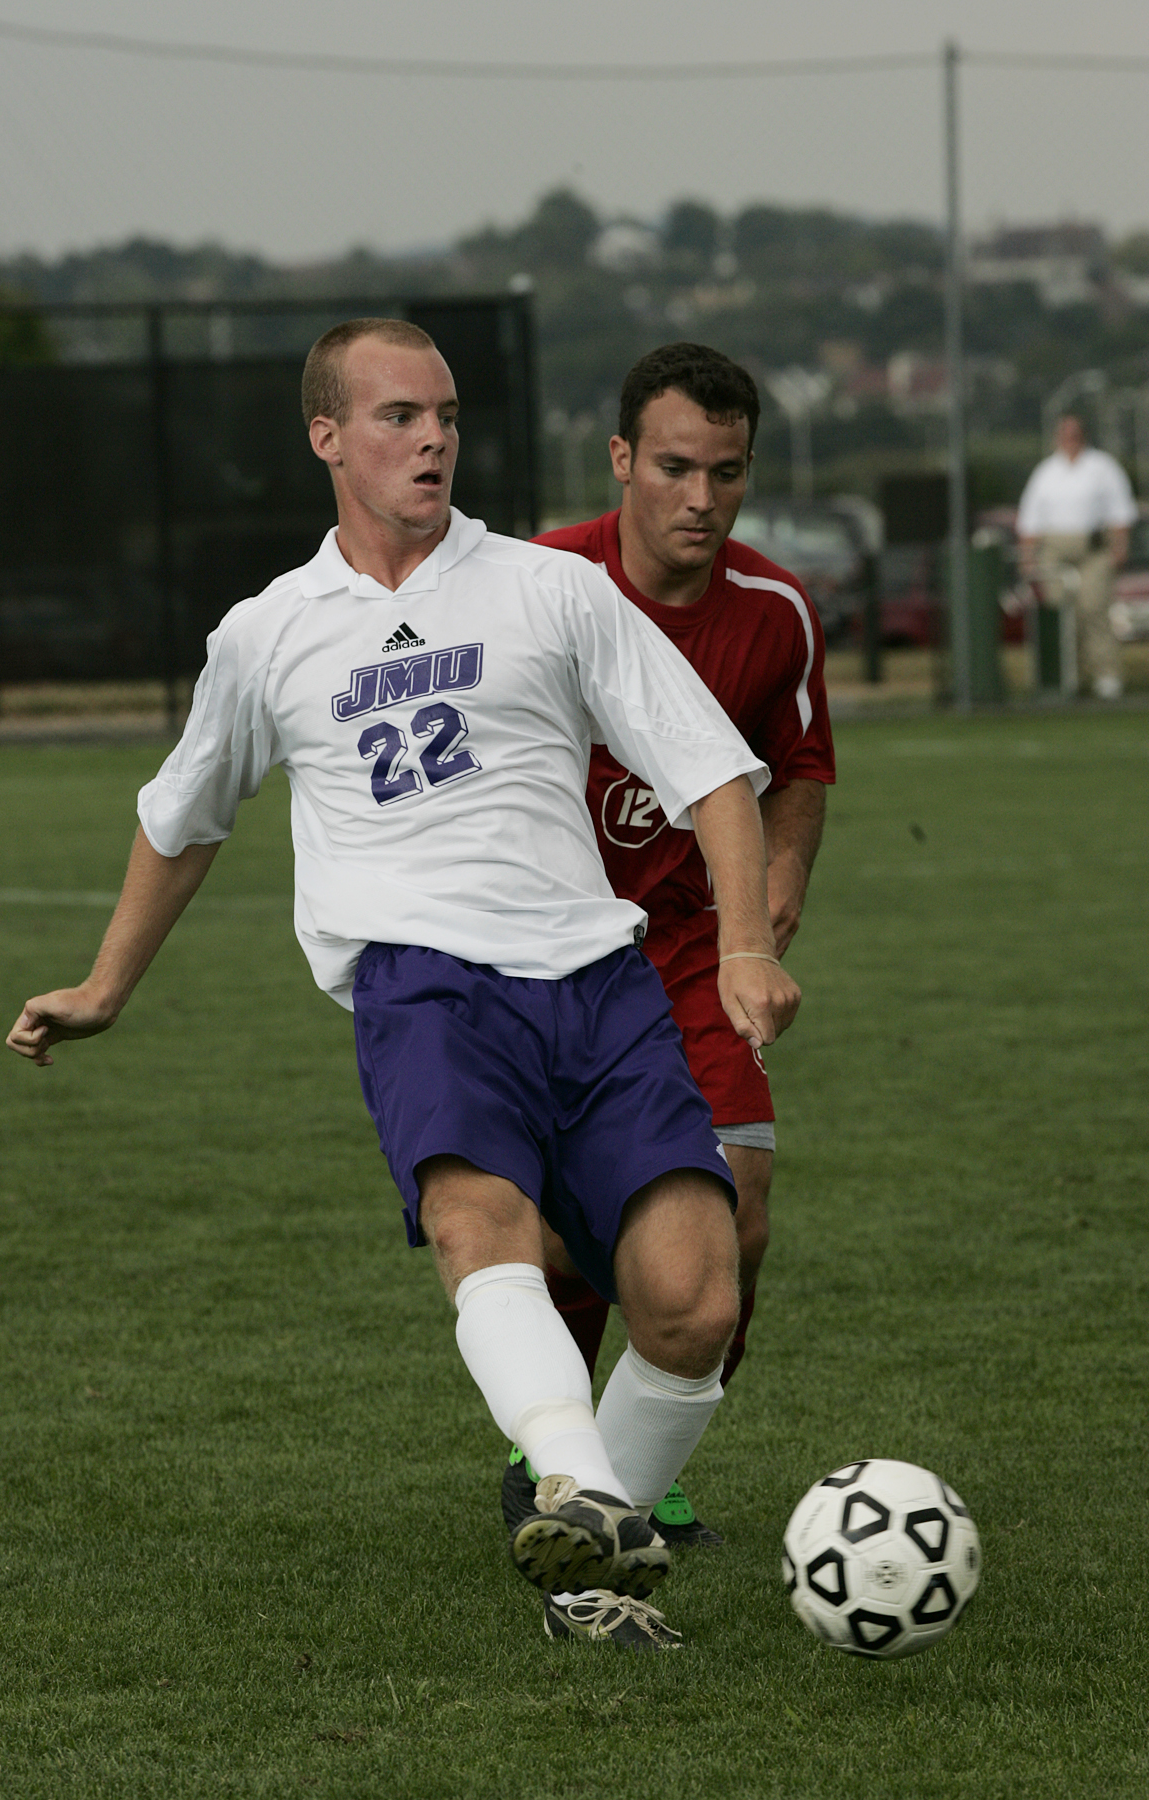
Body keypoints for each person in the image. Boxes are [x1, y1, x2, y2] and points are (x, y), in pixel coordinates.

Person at [6, 319, 800, 1653]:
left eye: (442, 414)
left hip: (600, 983)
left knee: (696, 1300)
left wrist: (742, 946)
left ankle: (589, 1551)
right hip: (424, 986)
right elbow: (185, 816)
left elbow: (714, 772)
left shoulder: (551, 589)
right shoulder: (270, 634)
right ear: (326, 438)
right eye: (395, 417)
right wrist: (104, 985)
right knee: (475, 1228)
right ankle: (574, 1499)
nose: (431, 436)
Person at [506, 342, 834, 1551]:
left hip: (694, 948)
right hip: (550, 949)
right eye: (677, 469)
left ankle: (636, 1472)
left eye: (728, 473)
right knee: (558, 1224)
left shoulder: (774, 611)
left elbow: (797, 765)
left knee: (737, 1216)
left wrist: (785, 869)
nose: (702, 499)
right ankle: (554, 1450)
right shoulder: (538, 581)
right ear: (623, 462)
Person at [1017, 413, 1136, 700]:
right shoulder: (1046, 471)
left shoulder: (1102, 467)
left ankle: (1106, 676)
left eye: (1074, 433)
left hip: (1093, 550)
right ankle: (1063, 677)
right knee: (1059, 613)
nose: (1069, 439)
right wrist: (1028, 557)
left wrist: (1120, 547)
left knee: (1093, 609)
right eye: (1064, 433)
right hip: (1056, 550)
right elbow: (1030, 520)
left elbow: (1120, 512)